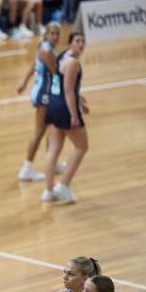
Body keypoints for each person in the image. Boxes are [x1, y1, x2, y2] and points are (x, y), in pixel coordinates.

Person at [42, 31, 88, 204]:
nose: (81, 44)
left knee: (53, 149)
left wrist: (80, 99)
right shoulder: (73, 62)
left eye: (83, 41)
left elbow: (62, 85)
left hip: (53, 105)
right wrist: (74, 115)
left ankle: (48, 192)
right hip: (64, 108)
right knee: (82, 146)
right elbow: (68, 91)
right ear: (70, 42)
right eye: (77, 41)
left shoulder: (62, 56)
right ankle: (64, 186)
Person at [16, 22, 60, 182]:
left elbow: (34, 65)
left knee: (53, 127)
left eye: (57, 33)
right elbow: (57, 74)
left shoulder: (44, 46)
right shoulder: (47, 51)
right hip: (44, 94)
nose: (55, 36)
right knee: (40, 131)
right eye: (52, 33)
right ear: (46, 34)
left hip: (44, 92)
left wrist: (24, 82)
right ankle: (26, 169)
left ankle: (52, 163)